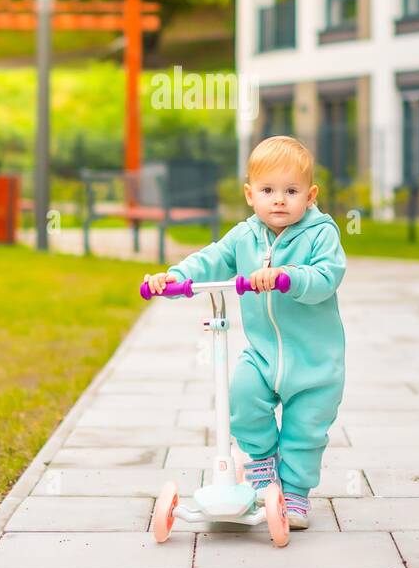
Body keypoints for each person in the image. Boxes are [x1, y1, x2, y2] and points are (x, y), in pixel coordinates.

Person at [143, 135, 346, 528]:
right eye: (269, 190)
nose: (280, 200)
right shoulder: (244, 235)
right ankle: (263, 466)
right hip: (263, 354)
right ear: (250, 194)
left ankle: (295, 494)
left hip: (316, 362)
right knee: (241, 397)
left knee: (305, 430)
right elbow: (213, 258)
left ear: (311, 194)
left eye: (291, 191)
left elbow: (327, 276)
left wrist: (288, 277)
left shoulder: (321, 234)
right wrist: (176, 277)